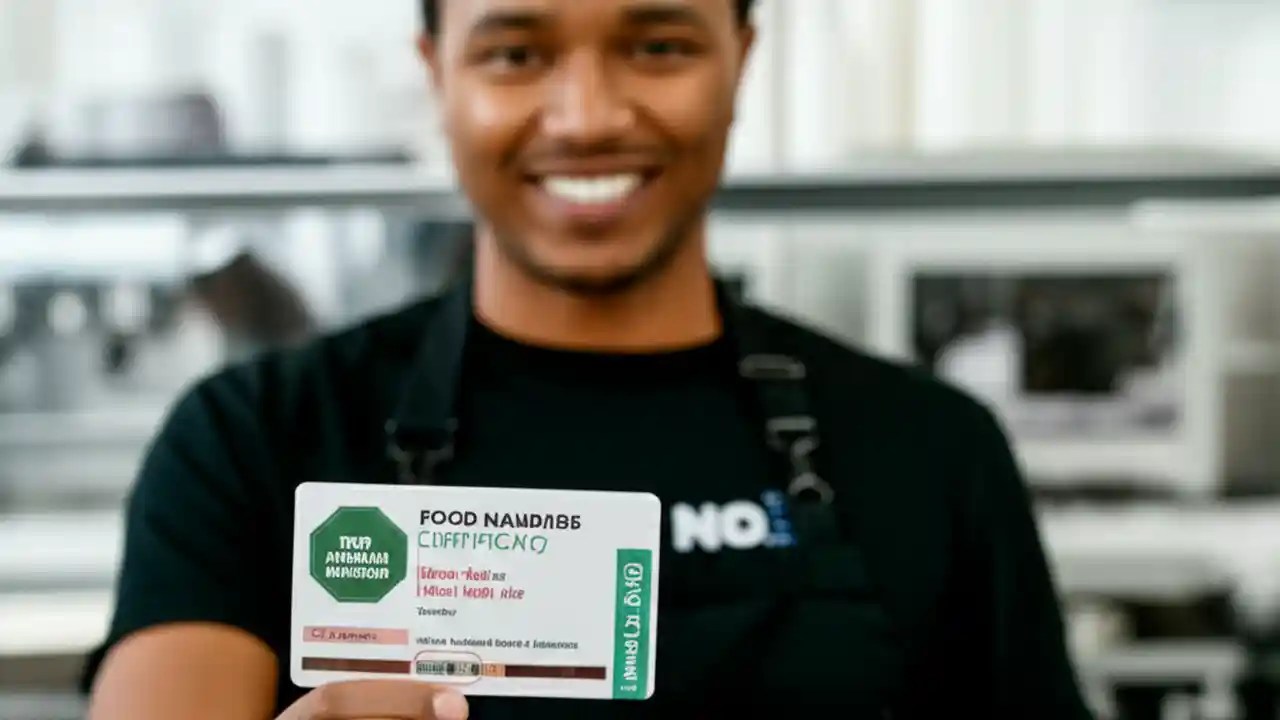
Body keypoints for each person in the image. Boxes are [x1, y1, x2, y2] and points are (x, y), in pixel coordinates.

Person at [83, 0, 1095, 718]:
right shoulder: (253, 441)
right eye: (515, 54)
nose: (587, 116)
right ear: (438, 73)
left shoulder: (930, 448)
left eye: (657, 44)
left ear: (738, 63)